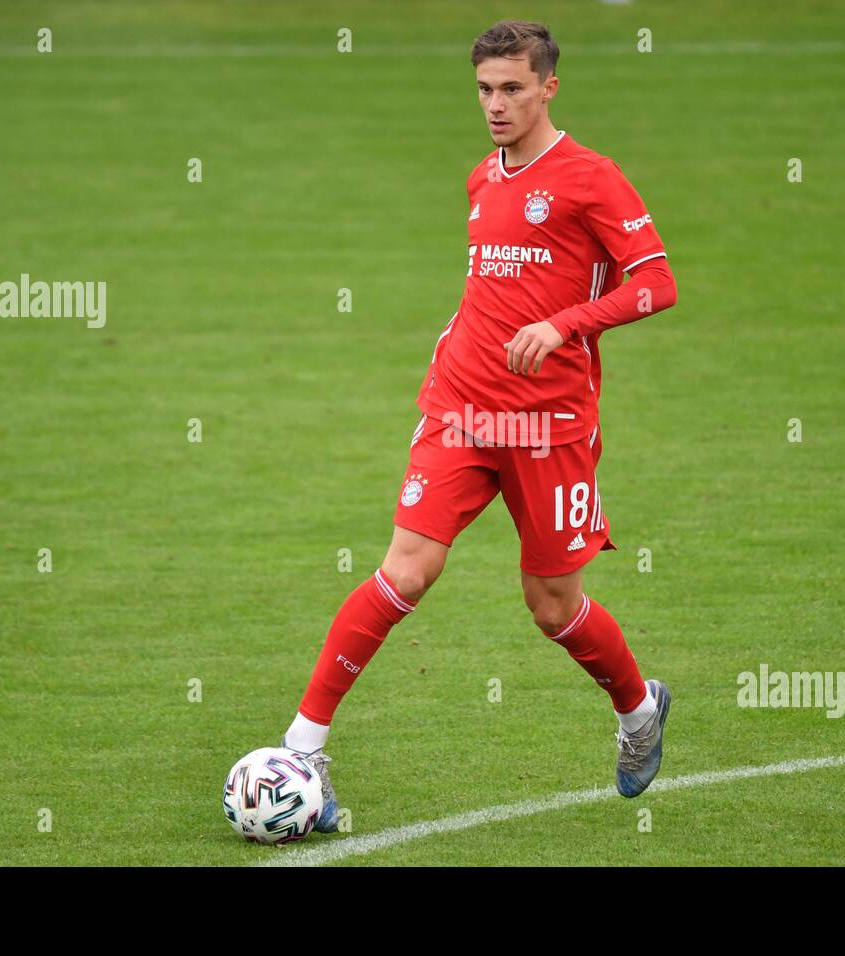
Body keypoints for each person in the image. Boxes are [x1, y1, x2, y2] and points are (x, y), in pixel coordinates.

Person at [281, 19, 679, 833]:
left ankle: (639, 712)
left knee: (552, 605)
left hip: (550, 426)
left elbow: (658, 283)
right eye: (484, 90)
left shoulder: (592, 179)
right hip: (459, 409)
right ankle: (302, 748)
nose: (495, 105)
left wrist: (568, 325)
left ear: (547, 88)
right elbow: (492, 286)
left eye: (511, 89)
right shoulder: (480, 180)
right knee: (405, 571)